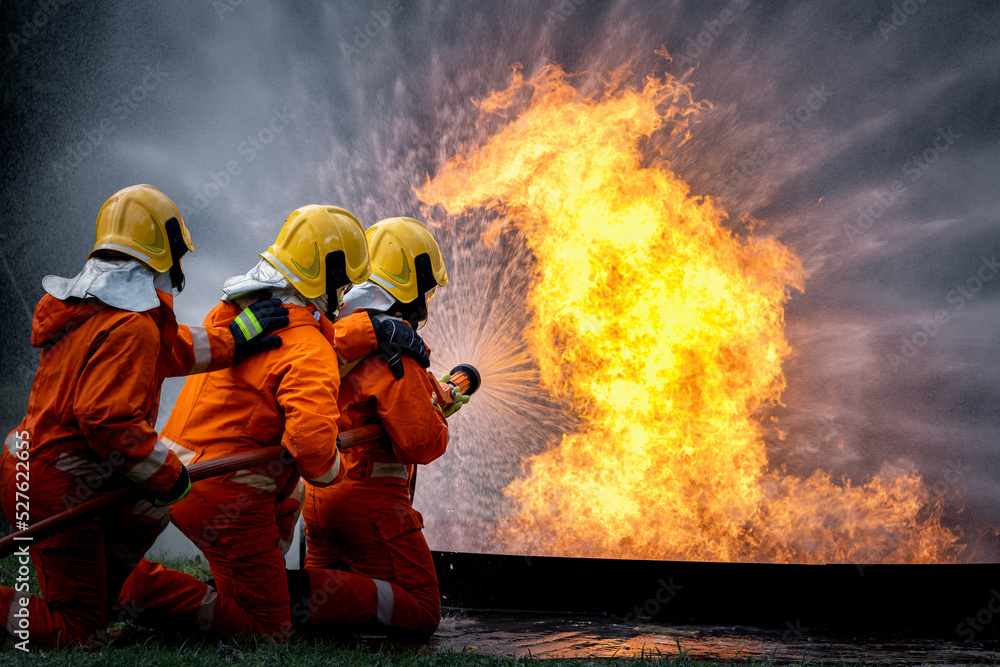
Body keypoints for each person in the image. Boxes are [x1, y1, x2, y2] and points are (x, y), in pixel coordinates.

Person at [117, 205, 433, 642]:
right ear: (328, 276)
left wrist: (370, 333)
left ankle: (143, 590)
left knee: (250, 596)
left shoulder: (237, 317)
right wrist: (337, 473)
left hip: (184, 477)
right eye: (342, 284)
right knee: (268, 628)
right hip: (231, 494)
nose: (344, 296)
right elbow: (314, 453)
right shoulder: (308, 349)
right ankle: (134, 589)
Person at [0, 184, 287, 649]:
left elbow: (165, 350)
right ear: (164, 252)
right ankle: (82, 611)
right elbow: (105, 418)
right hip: (60, 481)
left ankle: (106, 592)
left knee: (147, 504)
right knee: (77, 633)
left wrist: (236, 338)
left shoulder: (90, 309)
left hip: (41, 466)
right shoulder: (131, 325)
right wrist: (169, 474)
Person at [292, 216, 463, 638]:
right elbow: (420, 443)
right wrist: (436, 416)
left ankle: (283, 595)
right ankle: (279, 593)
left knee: (325, 607)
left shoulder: (335, 332)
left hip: (320, 498)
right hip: (369, 505)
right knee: (421, 610)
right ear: (413, 285)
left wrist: (429, 396)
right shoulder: (395, 351)